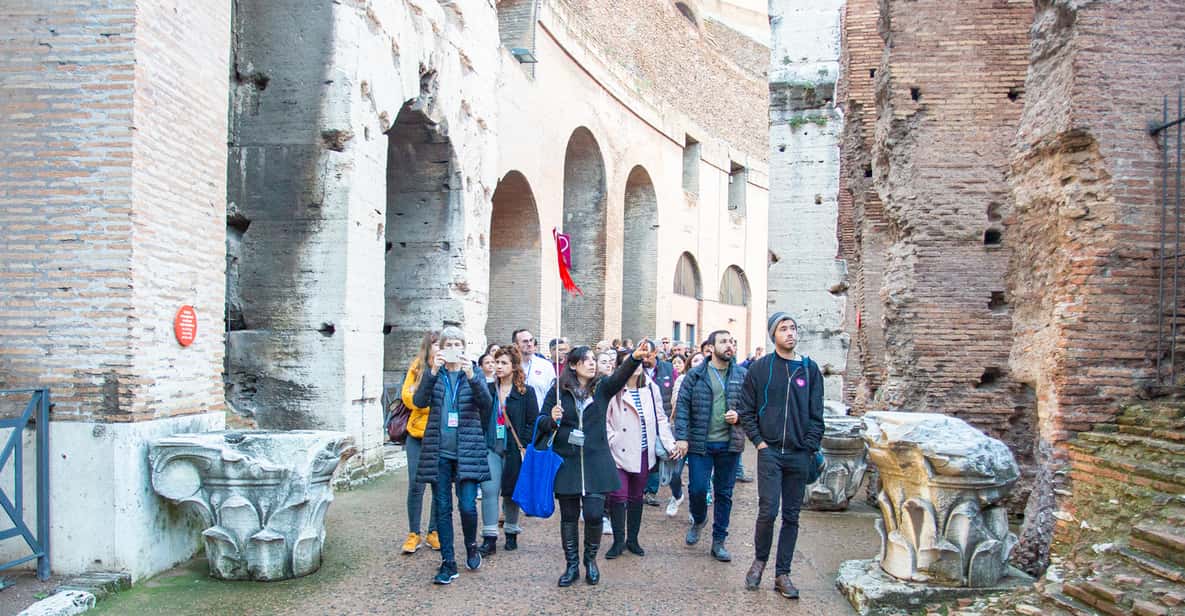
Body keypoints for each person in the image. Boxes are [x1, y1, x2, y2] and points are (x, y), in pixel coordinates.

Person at [538, 341, 650, 587]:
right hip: (567, 460)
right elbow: (542, 422)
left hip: (596, 460)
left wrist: (634, 358)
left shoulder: (602, 388)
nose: (591, 363)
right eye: (586, 360)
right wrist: (551, 419)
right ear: (573, 365)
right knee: (568, 516)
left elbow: (620, 377)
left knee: (593, 513)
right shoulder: (558, 390)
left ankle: (591, 560)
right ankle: (571, 566)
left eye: (593, 359)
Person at [738, 313, 824, 600]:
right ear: (773, 335)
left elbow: (817, 415)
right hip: (770, 452)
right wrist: (759, 442)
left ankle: (782, 573)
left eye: (793, 328)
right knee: (768, 510)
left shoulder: (810, 370)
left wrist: (809, 448)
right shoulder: (761, 369)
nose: (789, 333)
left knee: (791, 515)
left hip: (799, 454)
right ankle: (759, 561)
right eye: (783, 329)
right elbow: (746, 409)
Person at [413, 326, 494, 585]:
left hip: (467, 450)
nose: (453, 349)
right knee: (443, 508)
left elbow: (486, 405)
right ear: (442, 348)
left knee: (468, 506)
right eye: (448, 344)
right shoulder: (433, 374)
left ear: (464, 347)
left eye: (458, 344)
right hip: (439, 451)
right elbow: (419, 401)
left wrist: (472, 376)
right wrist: (432, 372)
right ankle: (448, 562)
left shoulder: (474, 372)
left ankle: (471, 545)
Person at [672, 330, 748, 563]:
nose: (729, 345)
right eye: (724, 341)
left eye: (731, 341)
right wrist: (682, 438)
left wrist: (740, 415)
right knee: (697, 488)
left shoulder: (742, 375)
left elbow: (752, 406)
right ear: (711, 347)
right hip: (700, 444)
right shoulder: (695, 375)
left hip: (729, 443)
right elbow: (683, 408)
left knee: (724, 493)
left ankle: (719, 541)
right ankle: (699, 518)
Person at [605, 349, 679, 559]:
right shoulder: (614, 389)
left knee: (637, 496)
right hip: (619, 451)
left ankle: (633, 539)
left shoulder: (650, 387)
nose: (638, 365)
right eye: (632, 362)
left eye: (640, 361)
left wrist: (668, 442)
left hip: (643, 450)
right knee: (618, 496)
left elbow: (660, 417)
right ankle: (618, 541)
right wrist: (613, 439)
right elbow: (604, 418)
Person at [484, 347, 539, 553]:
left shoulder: (526, 392)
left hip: (514, 449)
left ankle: (511, 531)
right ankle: (489, 536)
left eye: (503, 363)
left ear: (514, 367)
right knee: (489, 489)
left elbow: (532, 421)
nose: (498, 367)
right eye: (496, 362)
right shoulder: (488, 390)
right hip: (491, 446)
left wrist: (523, 444)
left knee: (510, 491)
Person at [400, 331, 441, 554]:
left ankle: (433, 532)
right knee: (416, 484)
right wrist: (425, 402)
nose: (439, 348)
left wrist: (422, 399)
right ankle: (413, 533)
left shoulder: (447, 368)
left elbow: (444, 401)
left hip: (438, 435)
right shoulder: (417, 367)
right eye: (436, 345)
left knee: (438, 484)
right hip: (416, 434)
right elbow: (409, 398)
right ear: (429, 347)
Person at [641, 345, 676, 506]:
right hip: (641, 420)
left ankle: (651, 491)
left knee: (656, 454)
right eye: (643, 356)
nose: (645, 359)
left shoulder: (668, 369)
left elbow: (677, 393)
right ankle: (638, 488)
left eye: (648, 356)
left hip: (662, 419)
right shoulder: (636, 369)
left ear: (655, 353)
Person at [513, 329, 556, 414]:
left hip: (540, 418)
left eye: (531, 340)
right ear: (516, 345)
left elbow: (552, 394)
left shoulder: (546, 366)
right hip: (517, 417)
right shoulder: (511, 366)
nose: (529, 344)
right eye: (525, 341)